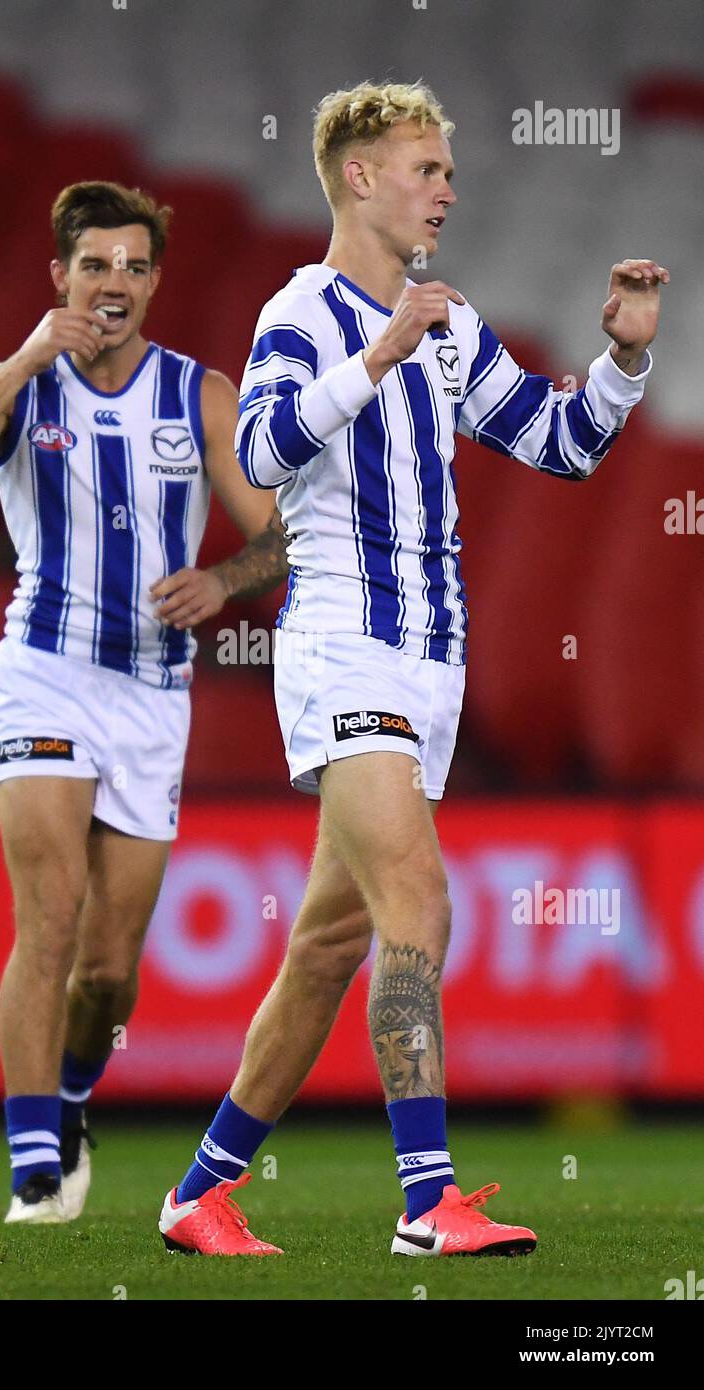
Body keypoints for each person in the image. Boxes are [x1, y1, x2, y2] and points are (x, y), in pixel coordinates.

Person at [159, 81, 667, 1257]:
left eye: (445, 168)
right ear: (355, 177)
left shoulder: (445, 319)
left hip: (431, 661)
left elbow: (559, 446)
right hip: (343, 640)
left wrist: (619, 366)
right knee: (418, 905)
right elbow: (262, 448)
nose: (446, 185)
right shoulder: (301, 311)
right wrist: (373, 357)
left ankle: (198, 1193)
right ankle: (424, 1200)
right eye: (425, 166)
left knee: (329, 943)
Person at [0, 181, 289, 1224]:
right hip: (42, 671)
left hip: (152, 696)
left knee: (109, 970)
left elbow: (278, 537)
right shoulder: (16, 386)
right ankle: (32, 1164)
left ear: (155, 283)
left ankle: (69, 1101)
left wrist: (222, 581)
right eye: (95, 264)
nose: (114, 282)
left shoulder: (198, 395)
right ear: (60, 276)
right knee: (50, 914)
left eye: (133, 266)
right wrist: (24, 357)